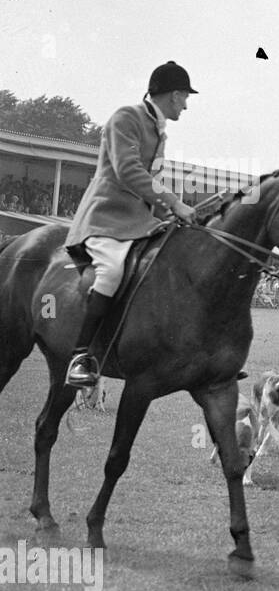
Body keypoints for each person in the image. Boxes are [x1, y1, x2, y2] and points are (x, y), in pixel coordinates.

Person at [63, 61, 199, 387]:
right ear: (174, 94)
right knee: (110, 272)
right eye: (185, 98)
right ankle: (80, 357)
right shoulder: (126, 118)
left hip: (138, 222)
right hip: (105, 219)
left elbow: (148, 185)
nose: (186, 104)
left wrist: (169, 216)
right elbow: (128, 171)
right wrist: (175, 202)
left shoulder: (158, 130)